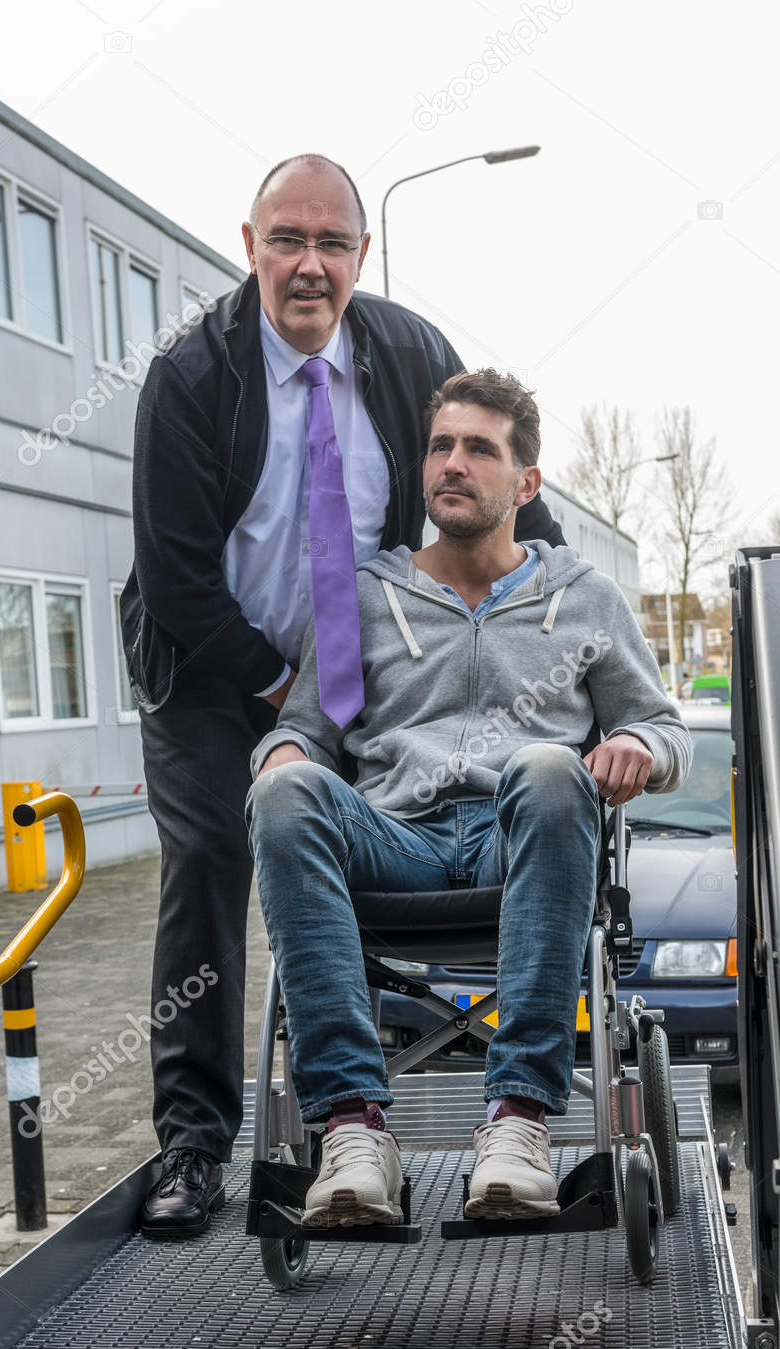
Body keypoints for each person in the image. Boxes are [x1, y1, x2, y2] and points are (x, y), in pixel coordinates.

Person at [123, 155, 565, 1238]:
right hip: (212, 672)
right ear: (250, 246)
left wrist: (560, 606)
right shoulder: (190, 376)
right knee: (213, 860)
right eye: (287, 241)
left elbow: (495, 498)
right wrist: (288, 697)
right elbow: (176, 571)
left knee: (367, 833)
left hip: (358, 673)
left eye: (331, 243)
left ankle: (372, 1111)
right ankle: (191, 1140)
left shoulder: (411, 353)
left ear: (362, 254)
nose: (309, 266)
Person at [247, 370, 691, 1226]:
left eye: (479, 449)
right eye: (441, 446)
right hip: (394, 840)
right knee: (287, 792)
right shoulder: (364, 597)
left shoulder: (584, 596)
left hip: (520, 838)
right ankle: (352, 1129)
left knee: (552, 767)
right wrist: (287, 754)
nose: (453, 463)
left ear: (526, 482)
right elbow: (301, 731)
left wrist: (636, 742)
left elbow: (664, 730)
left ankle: (519, 1120)